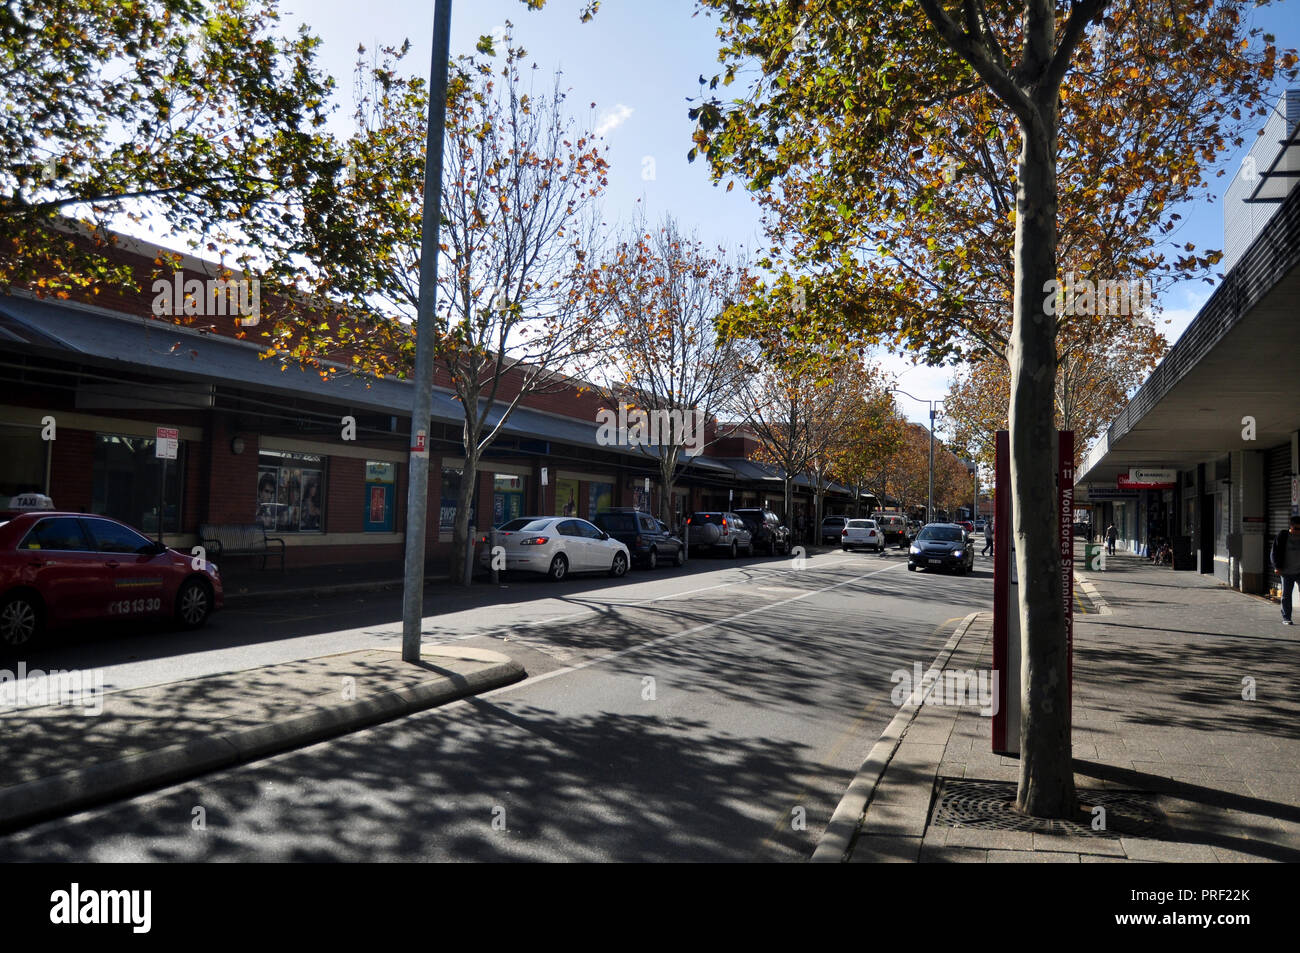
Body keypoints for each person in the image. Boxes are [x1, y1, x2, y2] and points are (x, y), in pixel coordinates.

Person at [1270, 515, 1300, 625]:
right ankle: (1287, 618)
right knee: (1286, 595)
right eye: (1296, 528)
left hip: (1299, 571)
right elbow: (1274, 552)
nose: (1298, 531)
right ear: (1291, 527)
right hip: (1286, 571)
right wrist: (1276, 567)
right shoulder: (1283, 536)